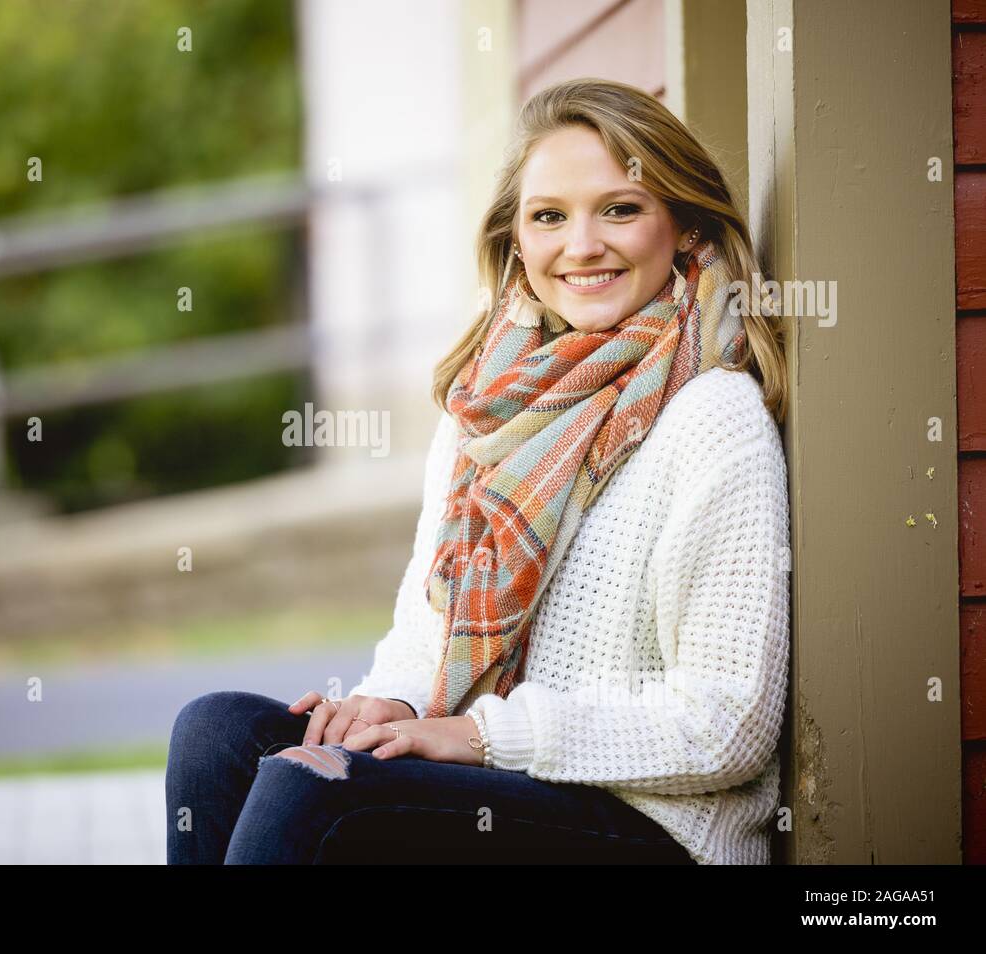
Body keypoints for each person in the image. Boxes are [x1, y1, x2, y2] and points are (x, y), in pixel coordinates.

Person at [166, 77, 790, 865]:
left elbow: (727, 724)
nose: (582, 245)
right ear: (517, 239)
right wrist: (387, 704)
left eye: (621, 209)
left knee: (312, 791)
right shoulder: (487, 407)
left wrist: (483, 734)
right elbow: (426, 628)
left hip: (650, 829)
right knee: (218, 733)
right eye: (550, 216)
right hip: (496, 787)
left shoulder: (712, 416)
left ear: (686, 225)